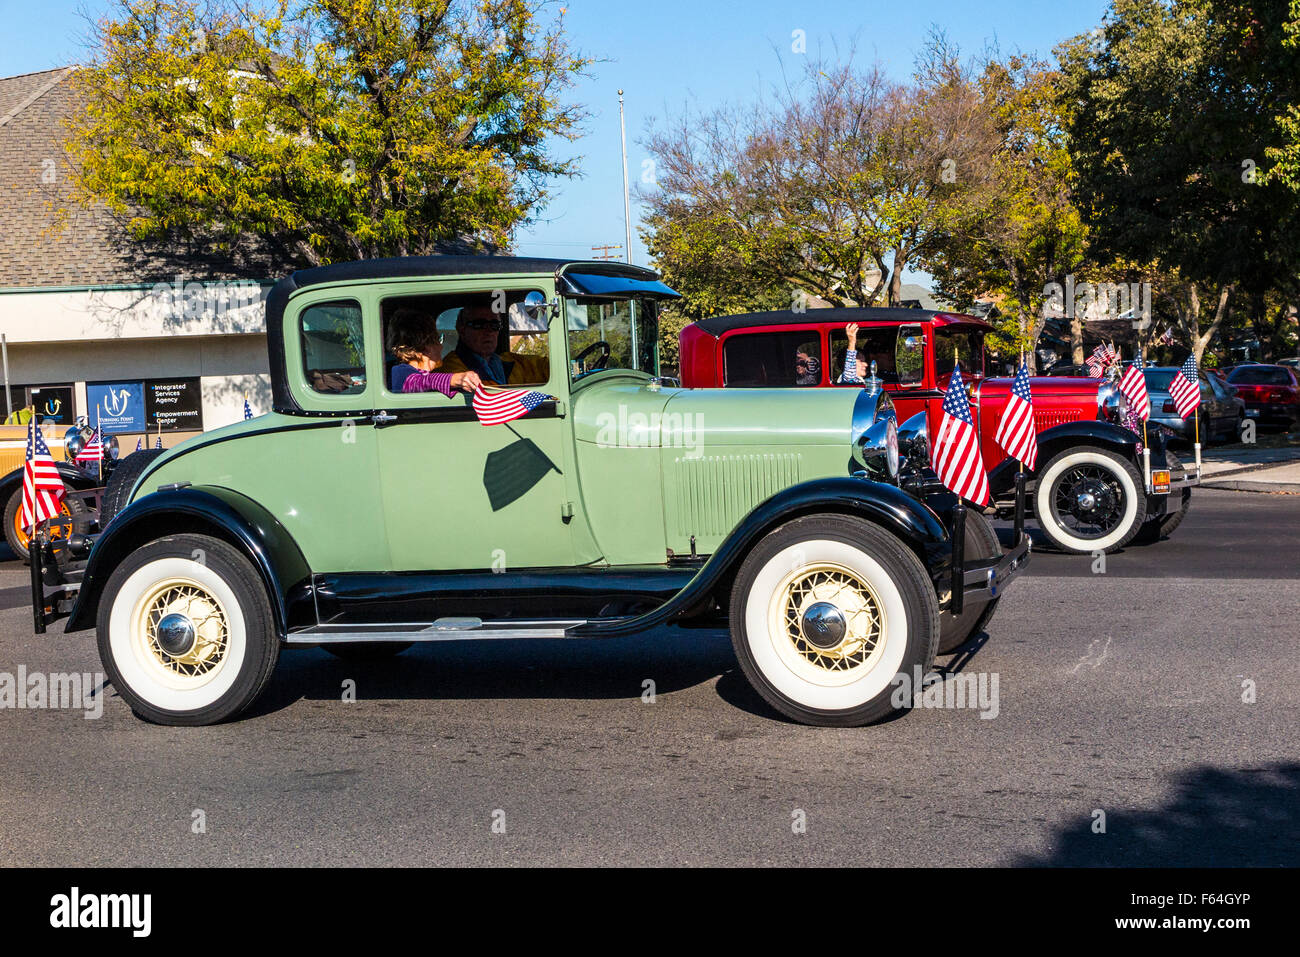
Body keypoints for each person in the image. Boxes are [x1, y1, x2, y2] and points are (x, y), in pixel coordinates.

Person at [439, 303, 549, 385]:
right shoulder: (451, 370)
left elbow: (550, 368)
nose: (489, 331)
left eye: (495, 325)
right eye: (479, 324)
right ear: (462, 329)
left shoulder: (511, 361)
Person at [386, 307, 482, 397]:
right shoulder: (400, 372)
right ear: (425, 346)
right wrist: (456, 379)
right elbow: (418, 382)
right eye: (437, 340)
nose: (441, 346)